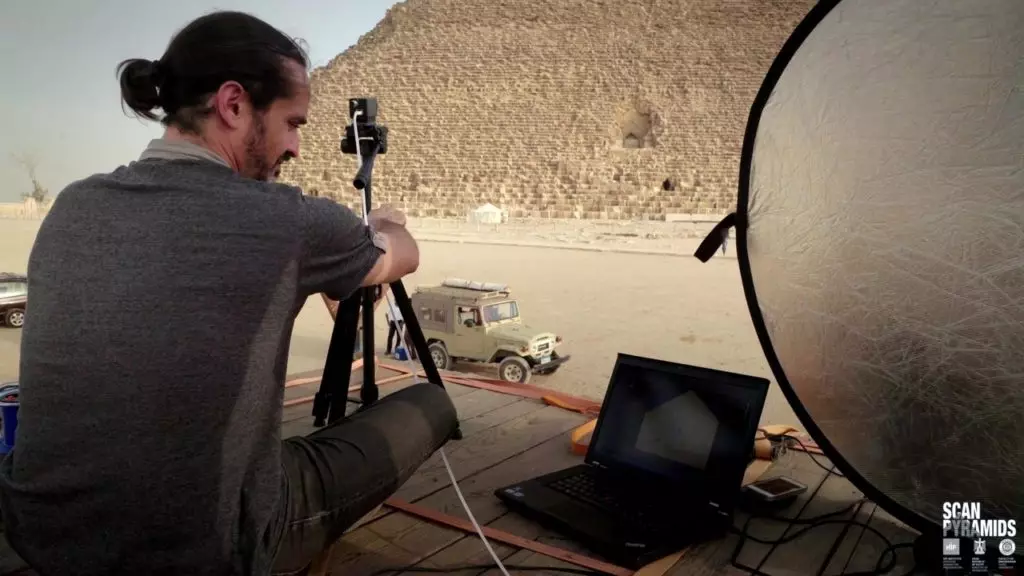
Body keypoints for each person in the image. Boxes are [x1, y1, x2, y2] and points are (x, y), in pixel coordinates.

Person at [0, 11, 458, 576]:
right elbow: (404, 255)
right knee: (429, 405)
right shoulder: (289, 222)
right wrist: (384, 224)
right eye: (292, 122)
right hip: (209, 552)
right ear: (234, 104)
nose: (294, 147)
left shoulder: (72, 204)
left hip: (41, 532)